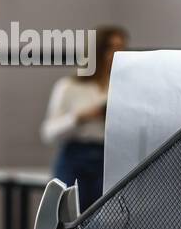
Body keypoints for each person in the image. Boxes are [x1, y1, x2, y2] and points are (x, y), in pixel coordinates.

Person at [40, 25, 128, 211]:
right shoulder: (69, 87)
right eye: (110, 48)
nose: (115, 54)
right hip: (75, 156)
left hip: (108, 158)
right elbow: (48, 133)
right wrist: (79, 117)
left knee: (101, 220)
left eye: (121, 48)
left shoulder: (124, 88)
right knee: (69, 216)